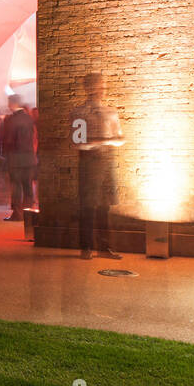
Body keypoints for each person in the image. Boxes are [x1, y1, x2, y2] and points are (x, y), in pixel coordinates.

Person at [69, 73, 124, 260]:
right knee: (88, 206)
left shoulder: (111, 112)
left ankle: (104, 247)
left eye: (103, 85)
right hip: (89, 162)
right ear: (88, 88)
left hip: (107, 161)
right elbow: (78, 143)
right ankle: (86, 247)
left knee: (105, 206)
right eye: (99, 85)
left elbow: (120, 138)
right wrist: (105, 141)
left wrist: (106, 141)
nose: (102, 89)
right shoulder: (79, 113)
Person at [0, 94, 36, 221]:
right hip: (29, 158)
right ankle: (28, 214)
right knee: (28, 187)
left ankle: (17, 214)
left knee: (16, 188)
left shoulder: (11, 120)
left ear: (12, 104)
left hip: (15, 159)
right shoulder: (29, 118)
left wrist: (4, 155)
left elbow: (8, 141)